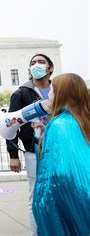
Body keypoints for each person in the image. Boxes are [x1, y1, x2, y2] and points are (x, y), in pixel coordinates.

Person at [32, 73, 90, 235]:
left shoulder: (59, 125)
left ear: (61, 94)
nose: (49, 95)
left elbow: (55, 175)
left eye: (52, 90)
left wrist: (41, 206)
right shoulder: (83, 120)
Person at [6, 53, 54, 235]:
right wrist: (13, 155)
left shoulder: (57, 90)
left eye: (41, 62)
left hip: (57, 149)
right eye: (33, 63)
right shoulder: (21, 93)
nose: (37, 65)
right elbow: (9, 125)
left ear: (50, 68)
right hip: (33, 152)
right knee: (35, 195)